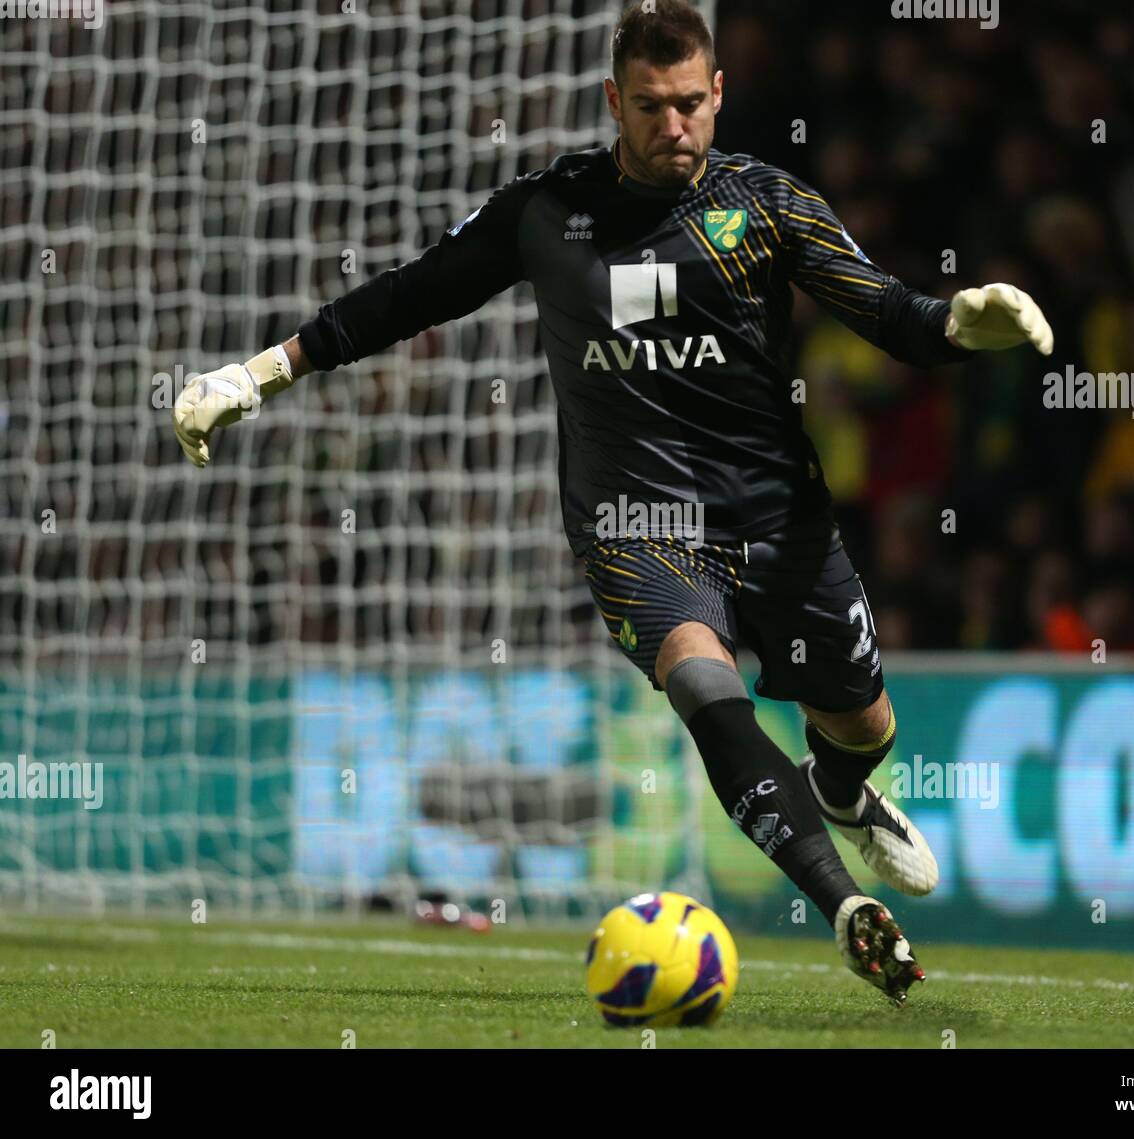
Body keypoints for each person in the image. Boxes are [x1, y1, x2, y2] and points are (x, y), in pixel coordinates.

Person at [172, 0, 1053, 1005]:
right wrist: (259, 375)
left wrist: (958, 323)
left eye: (688, 104)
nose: (670, 126)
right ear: (612, 102)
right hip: (637, 528)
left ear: (717, 94)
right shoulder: (547, 212)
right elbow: (406, 295)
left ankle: (842, 791)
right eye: (647, 107)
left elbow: (886, 312)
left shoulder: (764, 205)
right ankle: (843, 905)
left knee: (860, 726)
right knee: (704, 690)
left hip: (779, 519)